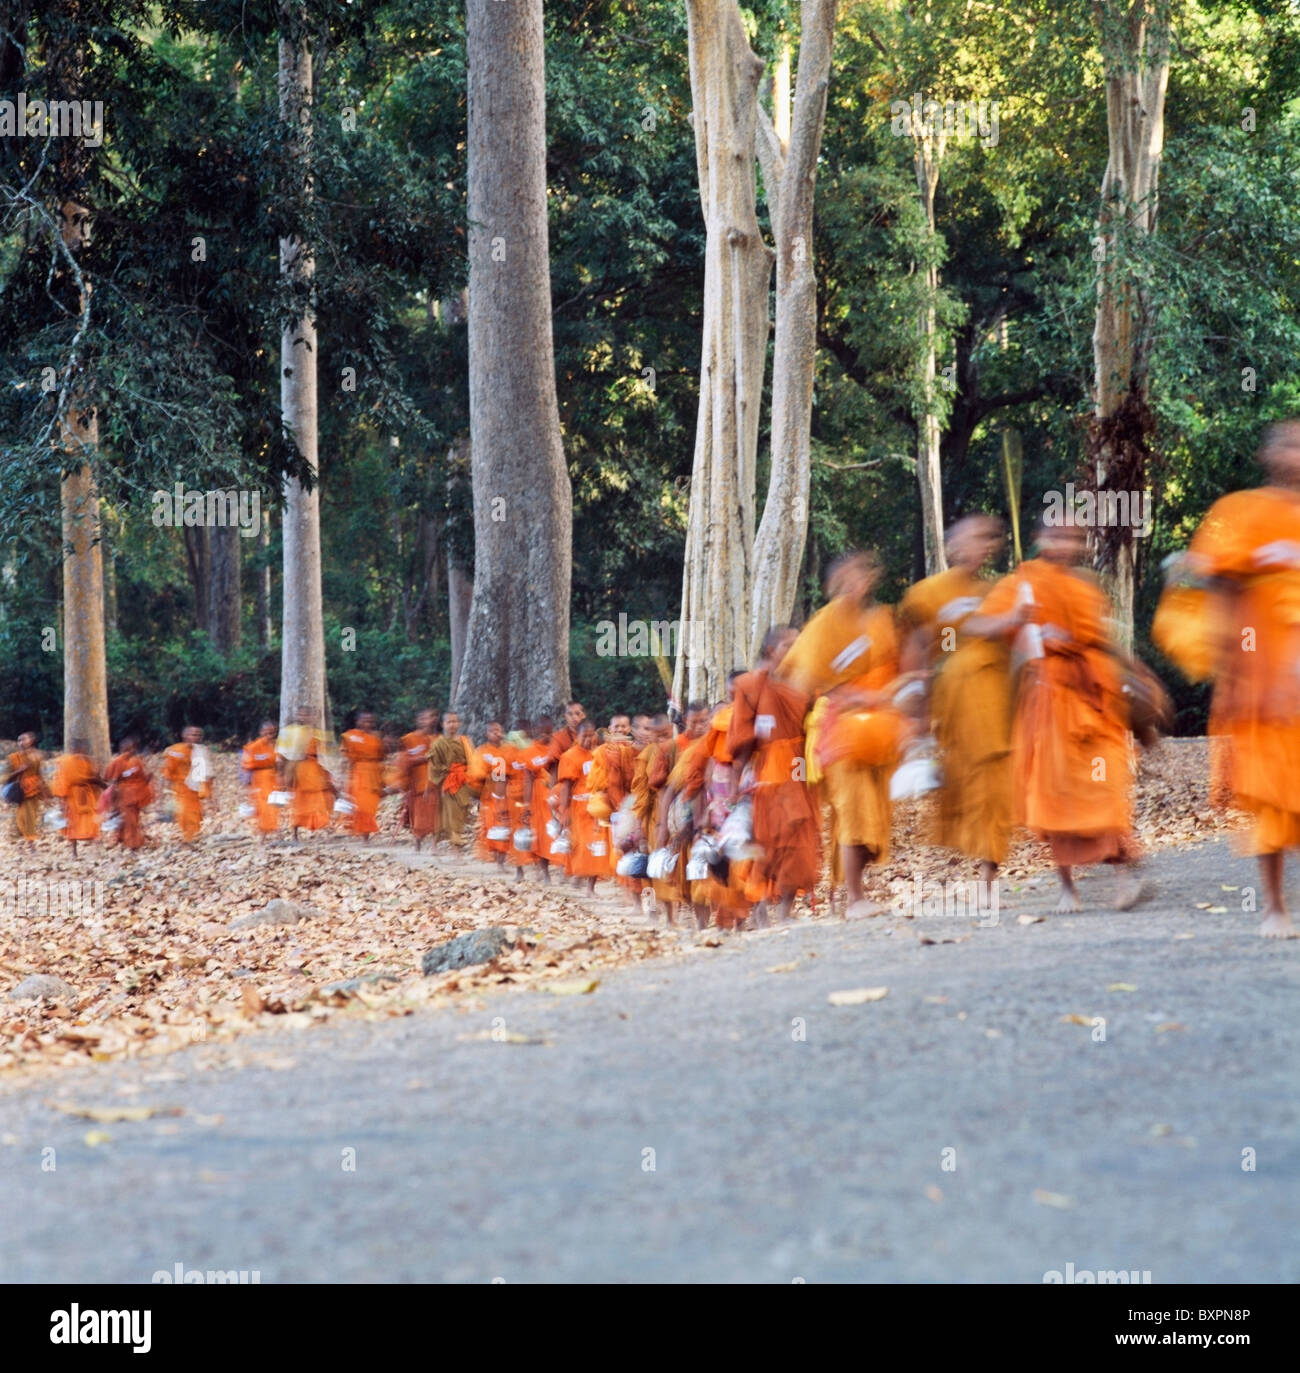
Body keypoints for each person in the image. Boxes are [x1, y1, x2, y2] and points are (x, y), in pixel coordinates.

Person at [966, 518, 1147, 913]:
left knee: (1106, 785)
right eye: (1058, 535)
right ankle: (1067, 888)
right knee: (1055, 794)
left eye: (1073, 538)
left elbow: (1102, 640)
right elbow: (977, 624)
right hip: (1048, 702)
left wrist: (1135, 676)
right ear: (1041, 538)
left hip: (1093, 699)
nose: (1065, 545)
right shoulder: (1024, 580)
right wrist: (1015, 617)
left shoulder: (1086, 585)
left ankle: (1122, 878)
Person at [1174, 418, 1300, 937]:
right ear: (1268, 455)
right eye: (1287, 445)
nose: (1295, 455)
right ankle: (1274, 905)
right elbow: (1211, 582)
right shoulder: (1241, 513)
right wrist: (1231, 660)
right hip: (1263, 675)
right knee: (1271, 793)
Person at [781, 550, 910, 917]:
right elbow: (804, 677)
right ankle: (855, 898)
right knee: (853, 812)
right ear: (833, 584)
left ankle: (848, 894)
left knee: (876, 819)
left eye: (863, 574)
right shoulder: (825, 624)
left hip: (880, 730)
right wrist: (855, 693)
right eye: (848, 577)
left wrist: (899, 695)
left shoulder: (881, 620)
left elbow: (897, 668)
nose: (858, 582)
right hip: (841, 730)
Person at [900, 515, 1013, 893]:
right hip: (953, 698)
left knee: (993, 785)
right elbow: (928, 644)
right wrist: (919, 695)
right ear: (951, 546)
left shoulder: (997, 590)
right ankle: (968, 860)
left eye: (986, 540)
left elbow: (1012, 642)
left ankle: (987, 874)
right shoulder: (930, 592)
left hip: (993, 698)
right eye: (971, 540)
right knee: (961, 784)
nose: (980, 548)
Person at [729, 630, 821, 925]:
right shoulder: (753, 685)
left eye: (798, 644)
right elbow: (742, 734)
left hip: (799, 765)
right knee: (767, 843)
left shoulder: (807, 682)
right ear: (771, 650)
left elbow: (817, 723)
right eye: (787, 645)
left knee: (800, 842)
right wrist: (735, 781)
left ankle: (785, 911)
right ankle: (758, 906)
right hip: (769, 770)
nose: (795, 650)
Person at [588, 714, 641, 906]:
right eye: (616, 726)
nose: (620, 730)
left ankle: (642, 902)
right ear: (609, 729)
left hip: (637, 806)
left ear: (629, 730)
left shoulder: (636, 750)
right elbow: (596, 782)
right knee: (622, 852)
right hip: (616, 809)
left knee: (640, 853)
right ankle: (630, 897)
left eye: (623, 727)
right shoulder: (601, 752)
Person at [557, 720, 604, 892]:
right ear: (577, 736)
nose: (589, 739)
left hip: (596, 807)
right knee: (581, 845)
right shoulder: (569, 756)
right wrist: (564, 811)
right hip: (578, 808)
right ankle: (578, 873)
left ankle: (591, 887)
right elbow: (566, 786)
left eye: (592, 735)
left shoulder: (599, 754)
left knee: (596, 845)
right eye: (585, 736)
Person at [428, 711, 483, 849]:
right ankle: (453, 848)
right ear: (443, 724)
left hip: (464, 779)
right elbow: (434, 766)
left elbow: (474, 761)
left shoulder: (465, 741)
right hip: (447, 781)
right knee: (448, 814)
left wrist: (473, 776)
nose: (452, 725)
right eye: (449, 722)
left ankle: (446, 844)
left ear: (459, 723)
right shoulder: (438, 743)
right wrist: (440, 780)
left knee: (460, 811)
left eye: (455, 721)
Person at [278, 707, 335, 839]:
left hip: (315, 769)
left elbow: (325, 754)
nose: (304, 717)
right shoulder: (288, 732)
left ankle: (324, 831)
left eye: (307, 715)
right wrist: (283, 773)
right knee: (299, 802)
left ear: (313, 717)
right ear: (296, 716)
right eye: (301, 714)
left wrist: (327, 771)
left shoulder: (318, 733)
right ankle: (295, 834)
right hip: (297, 769)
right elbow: (282, 754)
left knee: (321, 799)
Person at [51, 738, 102, 855]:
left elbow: (94, 777)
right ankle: (74, 851)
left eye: (81, 748)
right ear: (72, 748)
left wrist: (96, 778)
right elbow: (60, 780)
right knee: (73, 822)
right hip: (72, 795)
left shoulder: (88, 761)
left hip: (87, 793)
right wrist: (61, 799)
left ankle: (95, 848)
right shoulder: (65, 761)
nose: (79, 750)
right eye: (76, 747)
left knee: (91, 819)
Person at [398, 709, 440, 850]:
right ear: (418, 721)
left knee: (436, 817)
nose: (430, 720)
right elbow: (404, 761)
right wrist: (423, 758)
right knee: (419, 818)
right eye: (426, 718)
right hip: (418, 783)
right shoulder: (410, 739)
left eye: (433, 717)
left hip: (435, 783)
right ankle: (418, 845)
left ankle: (435, 846)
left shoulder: (439, 739)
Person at [341, 710, 385, 841]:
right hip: (358, 773)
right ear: (357, 721)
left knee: (371, 805)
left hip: (374, 773)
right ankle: (363, 834)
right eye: (364, 721)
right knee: (361, 804)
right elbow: (345, 758)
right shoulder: (350, 736)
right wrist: (344, 777)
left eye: (371, 721)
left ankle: (365, 833)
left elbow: (382, 756)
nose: (368, 724)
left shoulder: (377, 737)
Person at [104, 737, 154, 850]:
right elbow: (109, 778)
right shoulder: (117, 762)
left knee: (134, 819)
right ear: (121, 750)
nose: (129, 752)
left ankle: (122, 838)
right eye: (126, 749)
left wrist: (149, 778)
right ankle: (132, 843)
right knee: (129, 820)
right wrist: (113, 795)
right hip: (124, 795)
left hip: (137, 795)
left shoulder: (137, 762)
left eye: (131, 749)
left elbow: (143, 778)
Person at [163, 725, 210, 842]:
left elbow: (205, 772)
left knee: (196, 814)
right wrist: (165, 786)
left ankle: (192, 836)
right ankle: (187, 837)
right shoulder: (175, 750)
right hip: (181, 787)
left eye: (198, 735)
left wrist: (206, 788)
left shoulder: (201, 751)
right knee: (185, 814)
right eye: (193, 734)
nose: (196, 737)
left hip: (195, 788)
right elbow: (168, 770)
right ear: (184, 735)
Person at [476, 721, 512, 867]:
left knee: (504, 825)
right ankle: (495, 857)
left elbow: (514, 769)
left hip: (507, 794)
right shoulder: (482, 752)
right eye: (492, 731)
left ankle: (501, 861)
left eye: (498, 730)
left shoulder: (509, 750)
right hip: (489, 794)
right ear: (487, 734)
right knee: (491, 826)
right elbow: (476, 774)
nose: (496, 733)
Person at [240, 720, 280, 840]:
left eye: (272, 733)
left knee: (273, 805)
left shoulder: (277, 745)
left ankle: (271, 831)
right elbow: (246, 765)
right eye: (267, 732)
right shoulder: (253, 746)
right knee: (262, 805)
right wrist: (246, 783)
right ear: (261, 732)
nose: (269, 735)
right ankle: (263, 833)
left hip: (273, 777)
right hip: (259, 778)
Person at [5, 732, 47, 841]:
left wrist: (45, 794)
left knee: (31, 816)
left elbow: (40, 775)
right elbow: (5, 777)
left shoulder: (37, 756)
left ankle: (29, 841)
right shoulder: (13, 758)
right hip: (20, 790)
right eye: (19, 740)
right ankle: (27, 842)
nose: (21, 743)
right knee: (22, 816)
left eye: (24, 739)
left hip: (34, 789)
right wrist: (19, 771)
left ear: (31, 741)